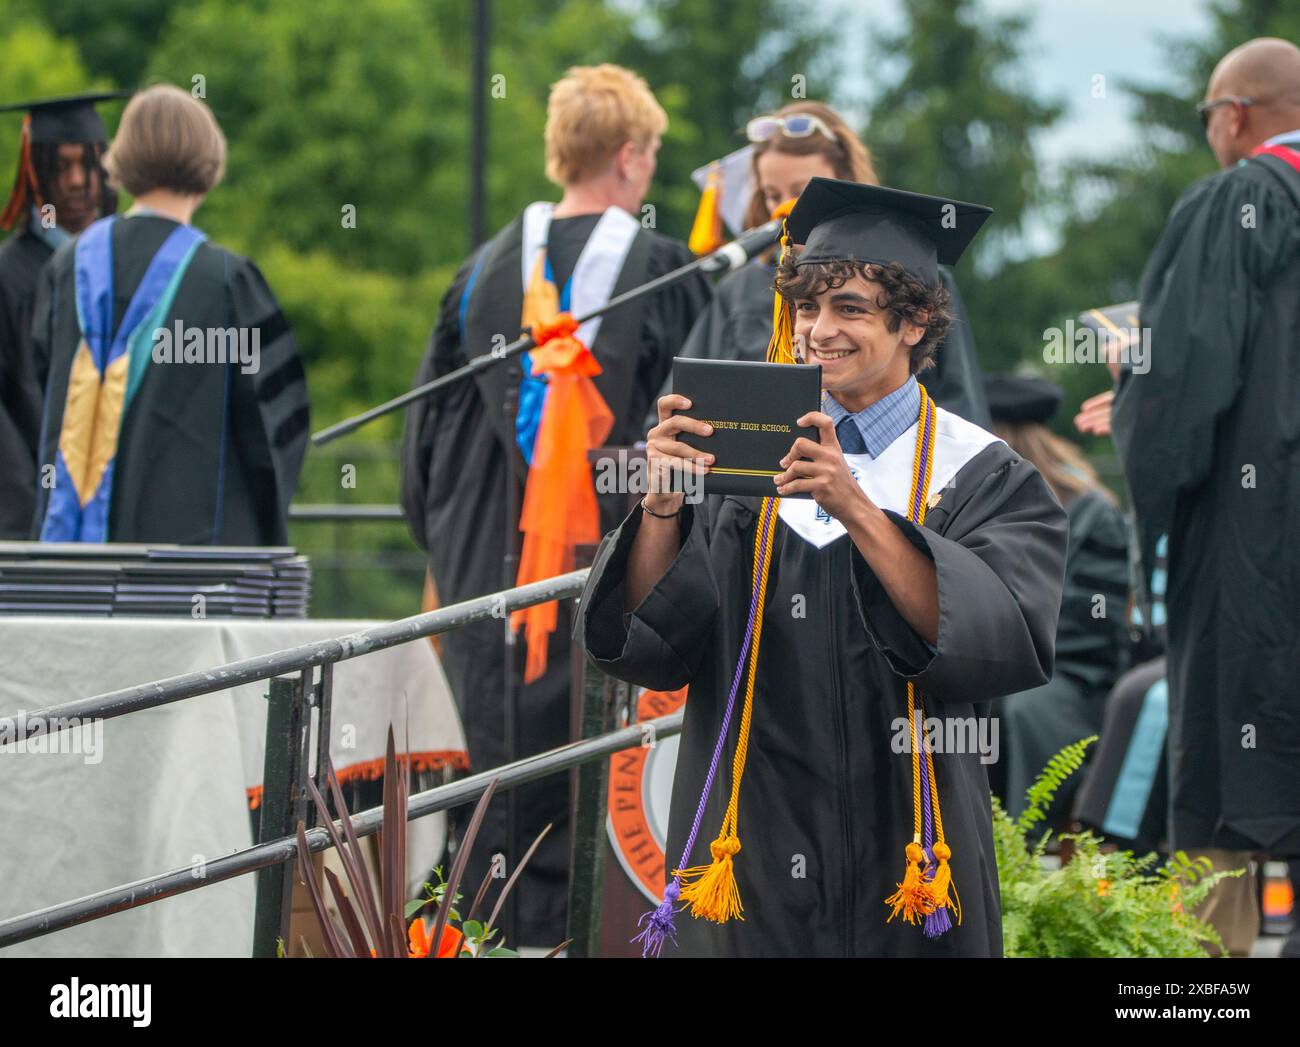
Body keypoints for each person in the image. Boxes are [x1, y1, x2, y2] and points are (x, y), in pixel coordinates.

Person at [579, 177, 1068, 957]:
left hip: (909, 850)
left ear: (915, 321)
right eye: (807, 308)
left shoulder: (983, 472)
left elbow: (999, 639)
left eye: (850, 309)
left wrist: (859, 510)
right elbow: (651, 646)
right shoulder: (738, 463)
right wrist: (664, 505)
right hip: (749, 846)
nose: (818, 331)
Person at [400, 64, 710, 948]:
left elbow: (423, 455)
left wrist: (452, 541)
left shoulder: (478, 274)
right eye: (648, 153)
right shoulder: (662, 274)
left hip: (477, 562)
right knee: (591, 756)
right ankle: (592, 934)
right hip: (613, 559)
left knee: (488, 768)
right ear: (627, 156)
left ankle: (479, 935)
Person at [1110, 36, 1300, 957]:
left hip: (1256, 549)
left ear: (1233, 116)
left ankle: (1204, 995)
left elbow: (1182, 389)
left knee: (1230, 782)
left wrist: (1135, 410)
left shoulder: (1241, 202)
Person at [31, 84, 309, 545]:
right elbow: (269, 429)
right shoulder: (226, 282)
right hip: (189, 570)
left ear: (121, 160)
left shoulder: (66, 269)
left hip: (71, 571)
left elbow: (43, 390)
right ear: (209, 162)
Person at [678, 101, 991, 427]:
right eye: (772, 194)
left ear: (845, 181)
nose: (785, 208)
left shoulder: (912, 278)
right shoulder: (740, 289)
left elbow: (960, 409)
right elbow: (691, 395)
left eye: (801, 191)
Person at [980, 374, 1130, 826]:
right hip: (991, 667)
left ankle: (1028, 848)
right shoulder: (969, 503)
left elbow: (1091, 630)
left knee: (1021, 707)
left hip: (1066, 675)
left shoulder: (1090, 512)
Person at [0, 91, 124, 538]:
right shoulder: (8, 276)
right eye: (60, 166)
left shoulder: (126, 267)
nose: (76, 182)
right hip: (34, 518)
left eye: (86, 165)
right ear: (35, 175)